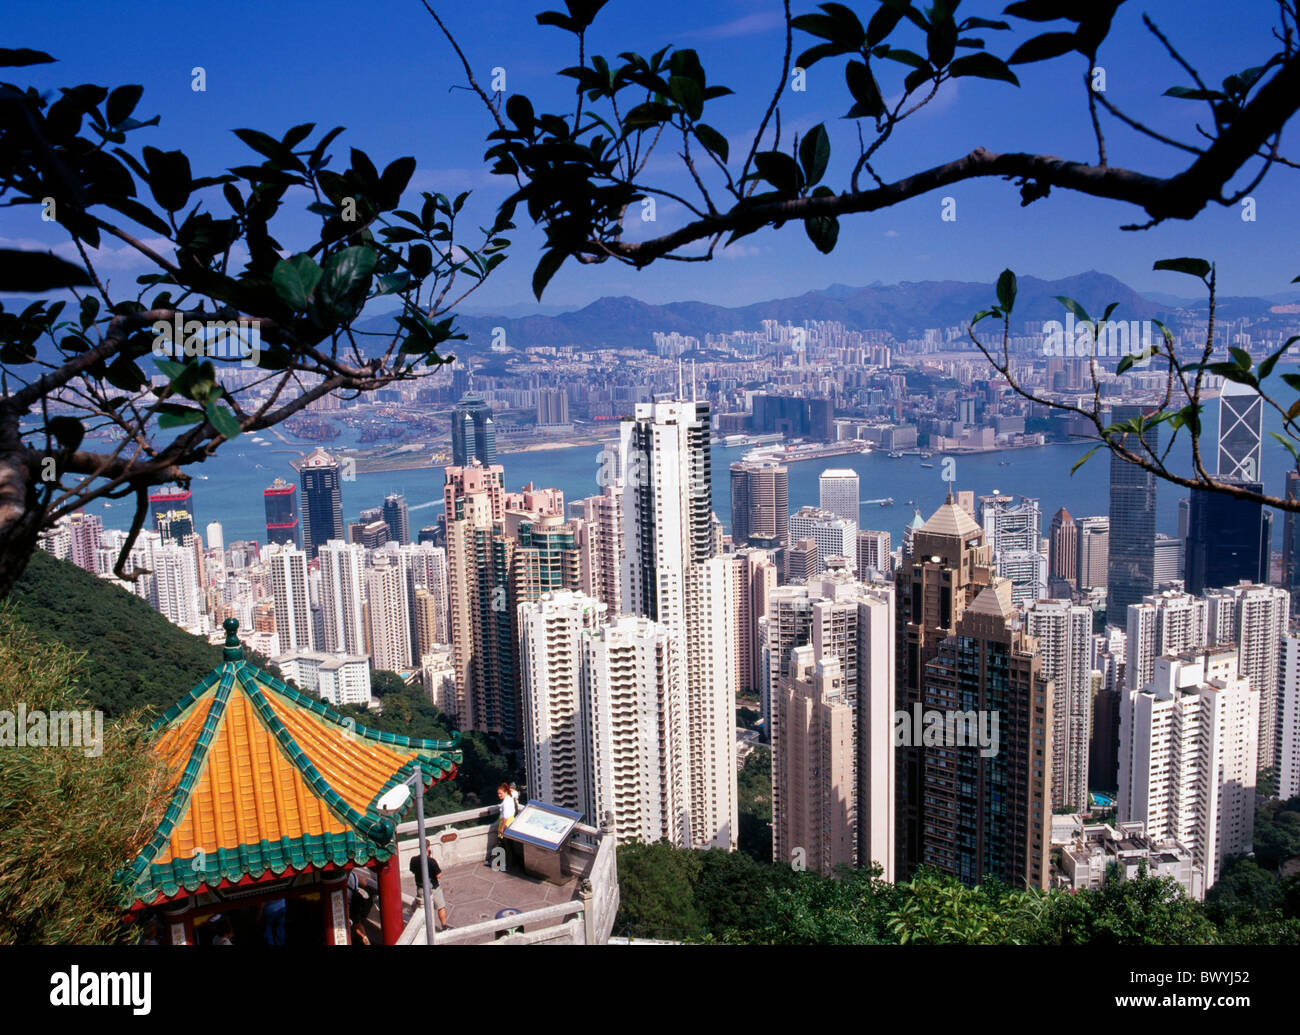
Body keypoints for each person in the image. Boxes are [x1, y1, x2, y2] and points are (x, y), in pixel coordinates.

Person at [408, 842, 450, 931]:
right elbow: (439, 875)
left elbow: (412, 870)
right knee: (440, 907)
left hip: (420, 888)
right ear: (428, 848)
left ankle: (426, 929)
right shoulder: (431, 861)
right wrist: (430, 858)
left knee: (424, 909)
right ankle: (444, 927)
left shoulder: (414, 860)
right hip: (433, 888)